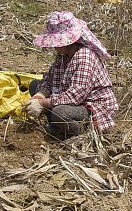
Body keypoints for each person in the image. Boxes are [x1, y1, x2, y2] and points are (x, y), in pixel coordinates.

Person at [27, 11, 119, 139]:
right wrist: (39, 95)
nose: (54, 46)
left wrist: (42, 103)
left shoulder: (84, 57)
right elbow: (49, 78)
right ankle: (55, 125)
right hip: (72, 100)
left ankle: (81, 131)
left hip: (91, 106)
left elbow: (75, 96)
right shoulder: (63, 55)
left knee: (60, 113)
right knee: (35, 85)